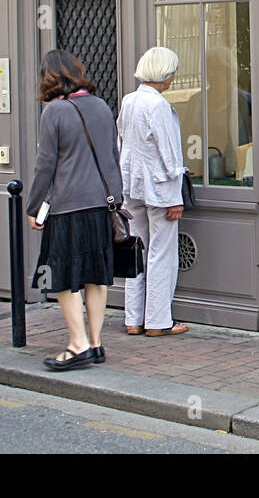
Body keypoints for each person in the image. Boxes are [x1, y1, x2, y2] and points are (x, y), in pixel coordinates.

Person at [27, 49, 117, 370]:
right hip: (101, 206)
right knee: (96, 277)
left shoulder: (54, 111)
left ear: (49, 77)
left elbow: (45, 166)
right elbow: (111, 156)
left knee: (63, 277)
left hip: (67, 208)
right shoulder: (102, 106)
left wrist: (34, 206)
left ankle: (77, 345)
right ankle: (95, 343)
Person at [118, 46, 188, 337]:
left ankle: (133, 319)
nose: (173, 79)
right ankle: (158, 321)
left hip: (131, 187)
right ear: (165, 74)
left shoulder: (129, 100)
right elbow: (170, 155)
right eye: (172, 73)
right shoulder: (158, 105)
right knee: (161, 253)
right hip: (158, 189)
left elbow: (121, 141)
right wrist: (176, 197)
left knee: (137, 251)